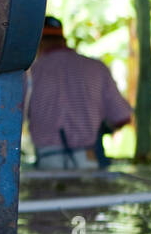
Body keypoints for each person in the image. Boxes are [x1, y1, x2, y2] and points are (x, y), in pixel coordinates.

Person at [26, 15, 131, 170]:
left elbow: (14, 118)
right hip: (88, 160)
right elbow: (122, 117)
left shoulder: (31, 73)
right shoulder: (96, 68)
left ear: (38, 42)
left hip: (48, 163)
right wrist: (98, 128)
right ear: (63, 39)